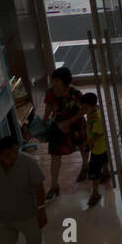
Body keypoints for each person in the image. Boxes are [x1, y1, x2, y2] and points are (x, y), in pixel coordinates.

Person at [41, 66, 87, 200]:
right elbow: (48, 106)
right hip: (58, 128)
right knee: (55, 155)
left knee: (83, 147)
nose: (54, 83)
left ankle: (85, 167)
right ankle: (54, 185)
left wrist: (68, 122)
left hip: (76, 126)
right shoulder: (50, 93)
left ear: (65, 81)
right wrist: (44, 121)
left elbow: (83, 111)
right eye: (53, 80)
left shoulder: (75, 93)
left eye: (57, 80)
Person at [80, 92, 110, 207]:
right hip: (102, 146)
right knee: (104, 158)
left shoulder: (96, 118)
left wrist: (89, 142)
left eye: (85, 108)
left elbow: (100, 133)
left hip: (97, 147)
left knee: (94, 170)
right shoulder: (94, 112)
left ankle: (95, 193)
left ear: (92, 106)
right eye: (82, 107)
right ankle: (106, 173)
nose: (83, 110)